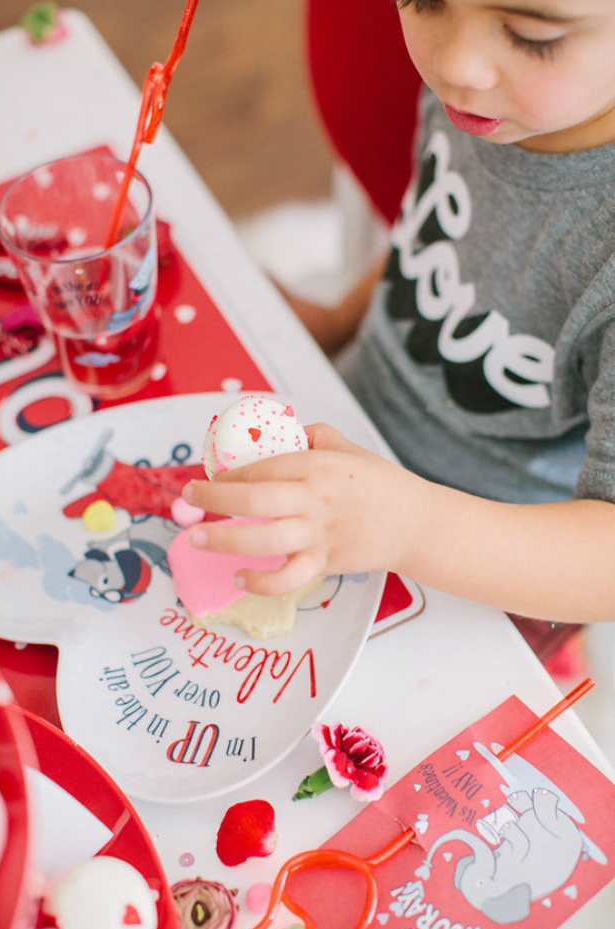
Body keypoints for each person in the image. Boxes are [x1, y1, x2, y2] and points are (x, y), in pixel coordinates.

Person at [182, 0, 615, 658]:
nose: (453, 62)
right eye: (426, 0)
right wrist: (335, 319)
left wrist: (409, 527)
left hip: (489, 598)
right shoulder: (491, 102)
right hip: (348, 455)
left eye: (532, 36)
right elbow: (441, 232)